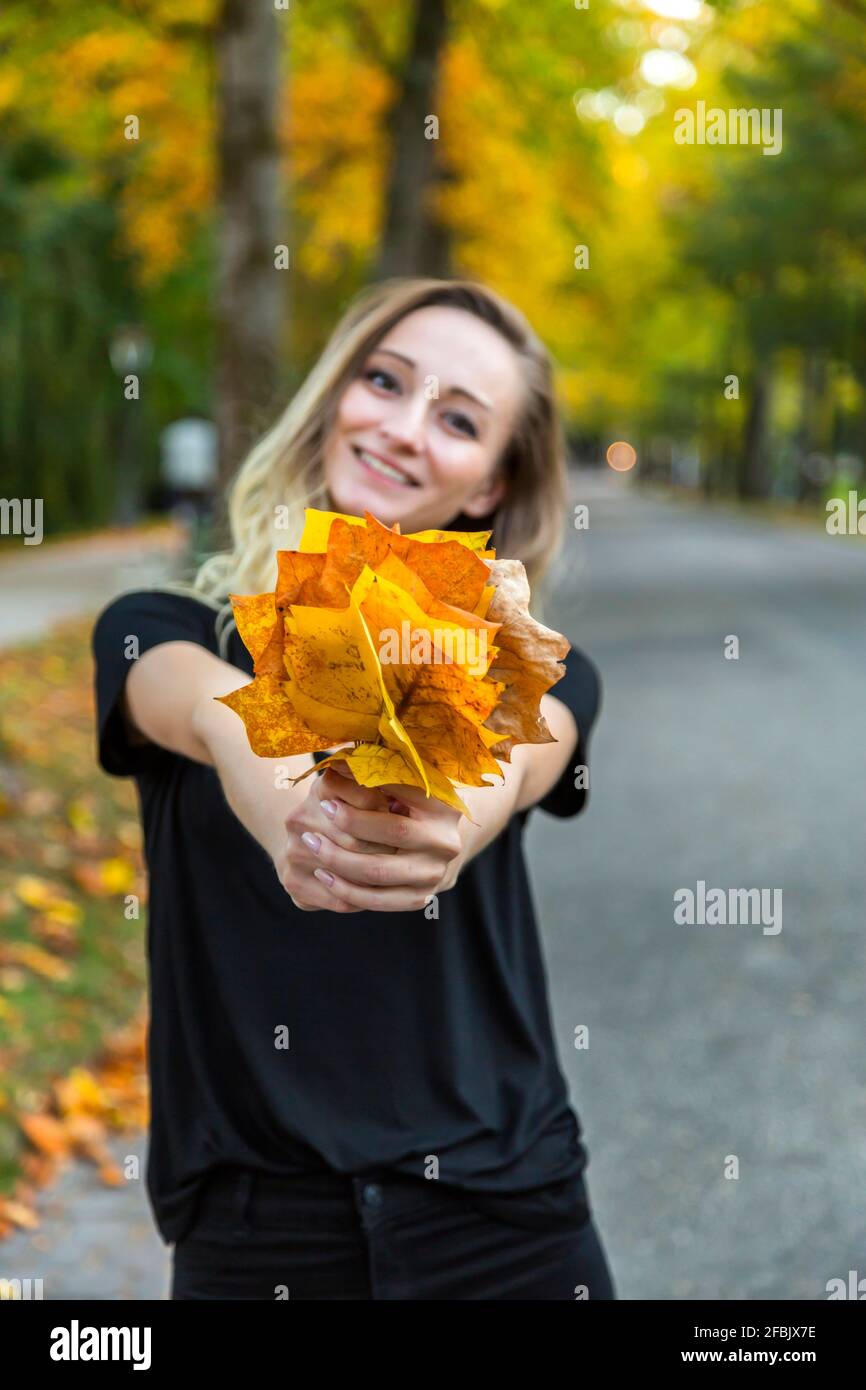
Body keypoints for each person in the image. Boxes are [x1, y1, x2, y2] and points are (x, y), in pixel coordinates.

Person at [91, 277, 614, 1300]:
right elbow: (207, 714)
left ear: (488, 489)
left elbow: (516, 760)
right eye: (385, 380)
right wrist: (287, 779)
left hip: (504, 1212)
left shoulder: (535, 670)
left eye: (458, 419)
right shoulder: (159, 628)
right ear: (336, 395)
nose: (406, 428)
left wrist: (452, 817)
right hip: (254, 1231)